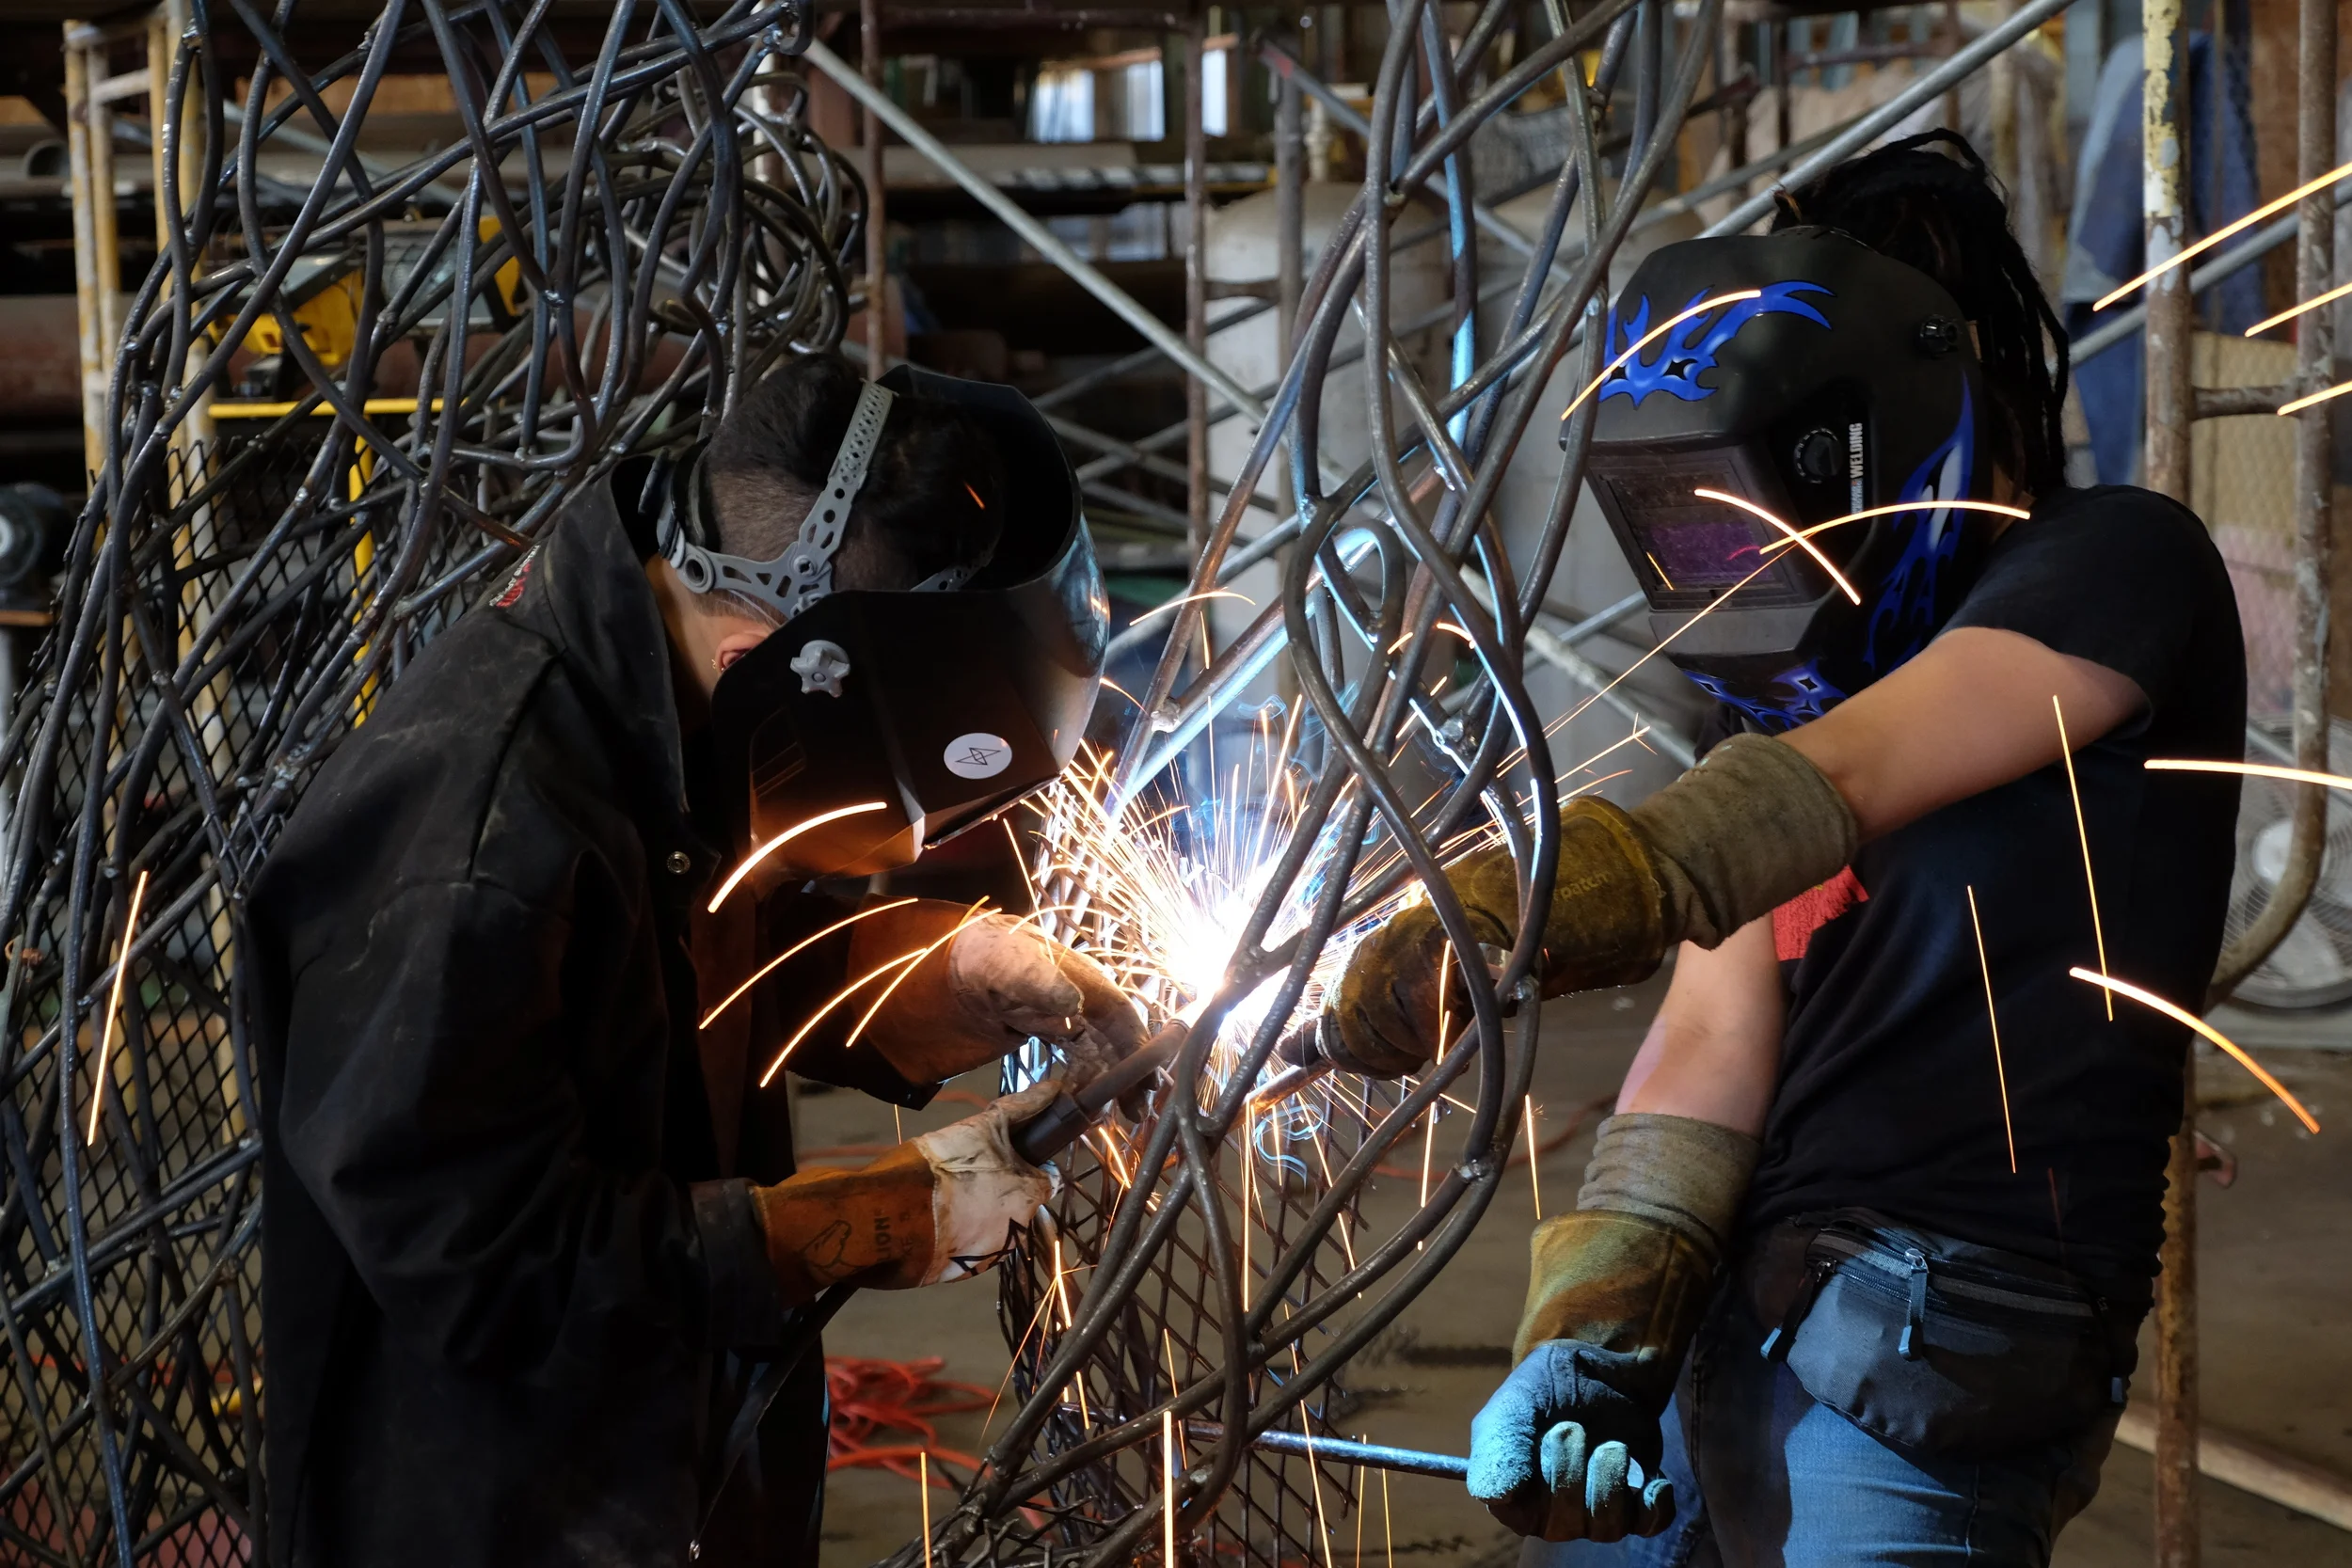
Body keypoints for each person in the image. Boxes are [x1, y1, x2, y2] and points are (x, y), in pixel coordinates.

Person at [1331, 133, 2246, 1564]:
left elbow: (1858, 769)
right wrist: (1596, 1327)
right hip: (1734, 1314)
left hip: (1935, 1346)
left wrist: (1584, 885)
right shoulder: (1785, 706)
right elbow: (1709, 1035)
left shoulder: (2114, 564)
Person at [247, 353, 1138, 1568]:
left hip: (682, 1483)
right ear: (767, 660)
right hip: (498, 1517)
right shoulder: (473, 840)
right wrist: (855, 1220)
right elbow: (488, 1270)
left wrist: (943, 974)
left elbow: (698, 972)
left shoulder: (675, 717)